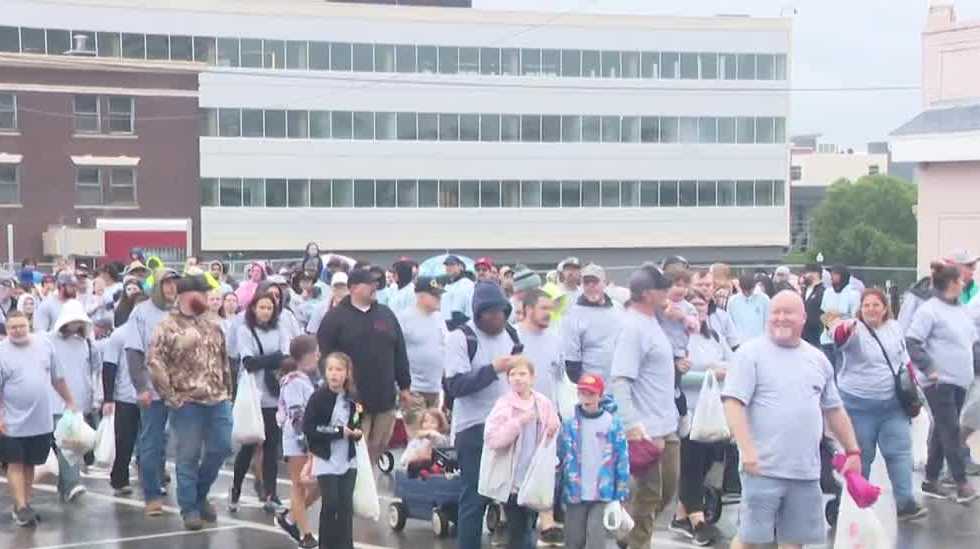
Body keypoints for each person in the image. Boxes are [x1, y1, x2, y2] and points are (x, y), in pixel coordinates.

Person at [722, 291, 863, 549]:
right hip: (762, 469)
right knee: (750, 540)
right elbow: (733, 403)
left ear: (803, 318)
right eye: (775, 312)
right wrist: (747, 450)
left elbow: (834, 409)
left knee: (795, 542)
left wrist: (852, 450)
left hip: (805, 472)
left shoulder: (818, 359)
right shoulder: (750, 354)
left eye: (788, 312)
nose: (781, 318)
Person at [146, 274, 233, 531]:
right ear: (186, 295)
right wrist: (171, 397)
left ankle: (199, 493)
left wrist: (228, 390)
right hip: (187, 402)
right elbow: (155, 363)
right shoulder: (167, 326)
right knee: (188, 455)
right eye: (202, 294)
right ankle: (189, 508)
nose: (207, 298)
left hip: (217, 398)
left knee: (222, 447)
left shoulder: (212, 323)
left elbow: (223, 359)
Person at [832, 288, 928, 519]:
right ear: (860, 309)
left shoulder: (894, 328)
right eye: (866, 305)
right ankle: (856, 507)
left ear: (885, 308)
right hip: (858, 407)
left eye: (876, 305)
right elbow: (839, 337)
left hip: (893, 406)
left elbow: (904, 361)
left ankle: (905, 503)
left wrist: (914, 390)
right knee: (861, 456)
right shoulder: (855, 330)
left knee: (899, 452)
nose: (871, 309)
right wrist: (843, 329)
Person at [445, 280, 523, 549]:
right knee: (475, 497)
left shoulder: (512, 335)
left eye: (501, 311)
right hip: (474, 427)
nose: (497, 318)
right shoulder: (461, 338)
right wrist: (492, 369)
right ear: (478, 314)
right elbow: (455, 386)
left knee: (517, 498)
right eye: (490, 312)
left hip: (511, 423)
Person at [610, 264, 681, 549]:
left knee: (665, 492)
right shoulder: (633, 327)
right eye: (662, 288)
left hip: (666, 423)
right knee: (649, 497)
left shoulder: (653, 321)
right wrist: (632, 425)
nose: (667, 292)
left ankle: (625, 533)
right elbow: (620, 380)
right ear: (647, 293)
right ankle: (636, 542)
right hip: (646, 428)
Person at [317, 268, 411, 465]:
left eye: (375, 284)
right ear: (353, 288)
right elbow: (325, 358)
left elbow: (400, 351)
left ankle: (371, 483)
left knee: (379, 446)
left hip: (385, 399)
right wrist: (335, 388)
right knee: (357, 449)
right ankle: (354, 483)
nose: (374, 287)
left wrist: (404, 386)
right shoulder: (335, 318)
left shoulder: (386, 314)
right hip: (354, 402)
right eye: (369, 284)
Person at [907, 261, 980, 503]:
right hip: (939, 382)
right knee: (951, 429)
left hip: (960, 381)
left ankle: (931, 479)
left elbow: (971, 341)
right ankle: (961, 483)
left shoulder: (961, 310)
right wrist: (929, 368)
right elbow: (913, 341)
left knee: (942, 429)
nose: (963, 283)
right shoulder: (930, 310)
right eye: (959, 280)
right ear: (950, 283)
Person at [0, 311, 78, 527]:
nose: (17, 331)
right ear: (7, 329)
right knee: (15, 462)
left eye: (21, 326)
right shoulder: (1, 352)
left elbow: (57, 378)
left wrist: (70, 400)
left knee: (30, 464)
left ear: (29, 325)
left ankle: (24, 504)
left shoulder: (44, 345)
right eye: (12, 327)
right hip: (12, 420)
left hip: (40, 419)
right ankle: (21, 506)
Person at [670, 289, 732, 546]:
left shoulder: (714, 336)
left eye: (702, 305)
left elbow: (732, 362)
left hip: (713, 412)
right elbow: (675, 375)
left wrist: (720, 371)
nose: (698, 310)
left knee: (707, 462)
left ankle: (680, 515)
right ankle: (697, 520)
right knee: (691, 465)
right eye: (692, 306)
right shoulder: (678, 339)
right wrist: (708, 375)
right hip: (689, 410)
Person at [484, 356, 560, 549]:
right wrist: (517, 422)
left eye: (522, 374)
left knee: (529, 527)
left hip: (534, 479)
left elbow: (554, 429)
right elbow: (493, 439)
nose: (517, 378)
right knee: (518, 532)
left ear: (532, 377)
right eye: (512, 374)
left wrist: (552, 430)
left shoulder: (542, 403)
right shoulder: (504, 405)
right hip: (512, 482)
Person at [126, 268, 180, 516]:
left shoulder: (182, 310)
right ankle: (152, 495)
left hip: (183, 389)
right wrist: (141, 387)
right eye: (166, 283)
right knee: (152, 443)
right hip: (153, 389)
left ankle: (194, 498)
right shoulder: (141, 313)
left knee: (189, 444)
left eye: (174, 283)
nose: (171, 288)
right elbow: (134, 352)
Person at [231, 291, 289, 513]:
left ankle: (271, 493)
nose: (265, 312)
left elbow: (285, 357)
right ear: (254, 308)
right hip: (253, 396)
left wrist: (268, 360)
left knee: (271, 447)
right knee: (248, 446)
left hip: (273, 396)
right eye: (262, 307)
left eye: (269, 308)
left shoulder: (280, 328)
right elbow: (248, 362)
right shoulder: (245, 330)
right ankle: (236, 490)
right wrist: (272, 359)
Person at [559, 373, 630, 549]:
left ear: (600, 395)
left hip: (602, 493)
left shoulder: (613, 423)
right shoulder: (569, 424)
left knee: (596, 540)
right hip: (575, 492)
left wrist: (620, 494)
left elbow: (622, 460)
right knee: (573, 540)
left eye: (591, 394)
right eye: (583, 393)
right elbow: (560, 456)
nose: (587, 398)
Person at [303, 352, 363, 549]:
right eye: (330, 369)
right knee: (331, 503)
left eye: (339, 369)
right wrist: (338, 432)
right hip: (326, 457)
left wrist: (357, 431)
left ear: (347, 373)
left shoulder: (353, 397)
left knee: (346, 505)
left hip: (348, 458)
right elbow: (309, 427)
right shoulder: (318, 398)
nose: (334, 374)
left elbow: (358, 421)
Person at [49, 299, 100, 503]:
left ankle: (67, 485)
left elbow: (93, 371)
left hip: (79, 400)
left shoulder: (87, 344)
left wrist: (94, 397)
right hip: (55, 399)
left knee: (71, 442)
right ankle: (71, 483)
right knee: (66, 442)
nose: (75, 325)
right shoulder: (49, 341)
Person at [275, 335, 322, 548]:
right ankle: (305, 534)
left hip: (311, 438)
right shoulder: (294, 382)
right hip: (297, 440)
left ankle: (291, 517)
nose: (319, 355)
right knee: (299, 484)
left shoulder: (310, 379)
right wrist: (306, 442)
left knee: (320, 483)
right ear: (307, 355)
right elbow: (296, 415)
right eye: (316, 351)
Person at [101, 292, 148, 496]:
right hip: (125, 396)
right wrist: (108, 398)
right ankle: (119, 478)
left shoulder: (157, 331)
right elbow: (109, 366)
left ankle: (151, 478)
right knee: (125, 440)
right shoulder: (120, 335)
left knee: (152, 441)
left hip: (152, 395)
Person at [397, 276, 449, 434]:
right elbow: (395, 352)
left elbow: (444, 346)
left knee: (433, 437)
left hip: (435, 387)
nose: (439, 299)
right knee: (417, 437)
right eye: (435, 295)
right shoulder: (404, 319)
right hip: (413, 388)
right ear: (420, 296)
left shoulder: (439, 318)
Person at [562, 264, 623, 383]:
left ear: (604, 283)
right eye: (586, 282)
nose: (591, 286)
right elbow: (571, 359)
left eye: (595, 282)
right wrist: (584, 385)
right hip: (591, 385)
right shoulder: (573, 314)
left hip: (619, 382)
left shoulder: (618, 308)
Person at [819, 265, 860, 368]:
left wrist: (839, 319)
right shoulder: (827, 292)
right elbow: (824, 313)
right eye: (831, 274)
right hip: (826, 339)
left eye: (835, 274)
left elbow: (855, 318)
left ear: (843, 276)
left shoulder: (854, 294)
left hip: (844, 342)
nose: (832, 276)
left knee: (841, 370)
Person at [692, 269, 739, 351]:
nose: (704, 288)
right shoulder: (681, 313)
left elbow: (734, 345)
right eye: (699, 285)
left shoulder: (722, 315)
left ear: (714, 288)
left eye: (708, 285)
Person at [400, 408, 450, 476]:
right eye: (425, 421)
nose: (428, 424)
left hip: (437, 468)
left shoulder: (441, 439)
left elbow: (443, 443)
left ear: (440, 425)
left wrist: (432, 435)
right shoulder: (416, 441)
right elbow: (404, 459)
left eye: (432, 422)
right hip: (416, 468)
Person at [726, 273, 769, 342]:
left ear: (754, 287)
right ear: (740, 287)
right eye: (744, 291)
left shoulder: (764, 299)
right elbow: (730, 324)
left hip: (759, 342)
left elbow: (768, 322)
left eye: (749, 291)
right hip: (740, 343)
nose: (746, 293)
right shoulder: (732, 301)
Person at [306, 272, 349, 336]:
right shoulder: (320, 308)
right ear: (331, 288)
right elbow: (313, 332)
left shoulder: (356, 308)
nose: (340, 291)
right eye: (337, 287)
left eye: (343, 288)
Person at [442, 255, 475, 330]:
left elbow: (470, 309)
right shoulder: (447, 285)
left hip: (461, 326)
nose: (448, 267)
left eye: (452, 264)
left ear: (460, 267)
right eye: (446, 265)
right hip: (446, 326)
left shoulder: (467, 283)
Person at [801, 263, 826, 348]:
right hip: (804, 334)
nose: (804, 276)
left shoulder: (823, 292)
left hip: (816, 335)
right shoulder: (805, 290)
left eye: (806, 273)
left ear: (816, 274)